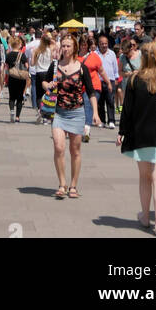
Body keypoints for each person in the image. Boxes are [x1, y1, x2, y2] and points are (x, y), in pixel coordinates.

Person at [117, 42, 156, 236]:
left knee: (145, 178)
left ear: (143, 57)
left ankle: (145, 216)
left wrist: (122, 131)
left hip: (141, 134)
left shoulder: (136, 79)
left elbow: (127, 109)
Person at [45, 32, 100, 199]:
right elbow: (44, 82)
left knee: (75, 150)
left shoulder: (81, 68)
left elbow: (90, 92)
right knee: (59, 147)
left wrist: (95, 113)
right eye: (63, 45)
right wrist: (49, 85)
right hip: (59, 112)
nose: (66, 48)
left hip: (77, 113)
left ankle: (73, 185)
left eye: (68, 46)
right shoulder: (55, 65)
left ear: (74, 48)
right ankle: (62, 184)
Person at [5, 35, 29, 123]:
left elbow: (6, 67)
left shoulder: (9, 55)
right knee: (19, 97)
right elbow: (27, 66)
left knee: (12, 97)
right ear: (19, 45)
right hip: (21, 79)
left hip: (11, 77)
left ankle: (12, 110)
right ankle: (18, 117)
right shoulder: (22, 55)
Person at [32, 31, 56, 123]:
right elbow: (56, 45)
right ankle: (47, 114)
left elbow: (32, 63)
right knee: (48, 94)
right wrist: (51, 41)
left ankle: (40, 111)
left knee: (39, 94)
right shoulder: (51, 49)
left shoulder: (36, 50)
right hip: (48, 72)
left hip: (39, 72)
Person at [97, 34, 120, 128]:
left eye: (105, 43)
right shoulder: (95, 54)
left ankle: (111, 120)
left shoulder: (112, 53)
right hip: (99, 81)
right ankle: (102, 120)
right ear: (99, 44)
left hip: (110, 81)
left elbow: (115, 67)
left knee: (110, 101)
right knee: (100, 102)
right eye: (102, 43)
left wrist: (116, 78)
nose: (104, 45)